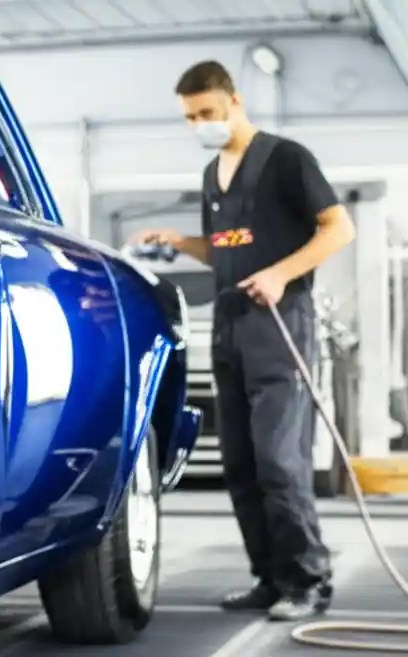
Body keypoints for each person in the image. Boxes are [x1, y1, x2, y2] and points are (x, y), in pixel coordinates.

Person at [133, 60, 356, 621]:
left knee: (280, 461)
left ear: (233, 101)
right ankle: (269, 576)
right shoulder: (213, 175)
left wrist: (282, 274)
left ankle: (309, 579)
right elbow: (225, 247)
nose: (200, 124)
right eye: (190, 117)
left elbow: (338, 227)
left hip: (280, 324)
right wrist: (181, 242)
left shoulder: (287, 160)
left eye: (207, 113)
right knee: (241, 462)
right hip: (231, 322)